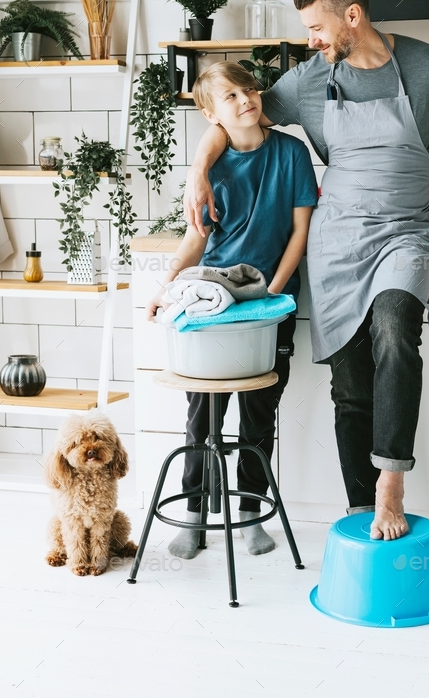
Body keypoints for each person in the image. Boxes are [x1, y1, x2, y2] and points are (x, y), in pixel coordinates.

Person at [185, 0, 429, 541]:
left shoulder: (428, 68)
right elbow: (237, 112)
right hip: (336, 242)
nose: (310, 41)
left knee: (396, 330)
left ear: (353, 16)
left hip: (404, 233)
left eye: (316, 28)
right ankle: (360, 509)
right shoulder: (313, 79)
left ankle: (391, 484)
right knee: (351, 386)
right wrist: (198, 169)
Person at [146, 61, 317, 558]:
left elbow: (299, 233)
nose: (245, 100)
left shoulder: (292, 154)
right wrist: (167, 284)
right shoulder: (211, 168)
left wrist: (272, 296)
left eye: (249, 89)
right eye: (230, 96)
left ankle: (249, 514)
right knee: (203, 415)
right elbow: (196, 241)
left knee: (260, 415)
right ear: (210, 114)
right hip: (215, 300)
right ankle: (195, 516)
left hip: (272, 299)